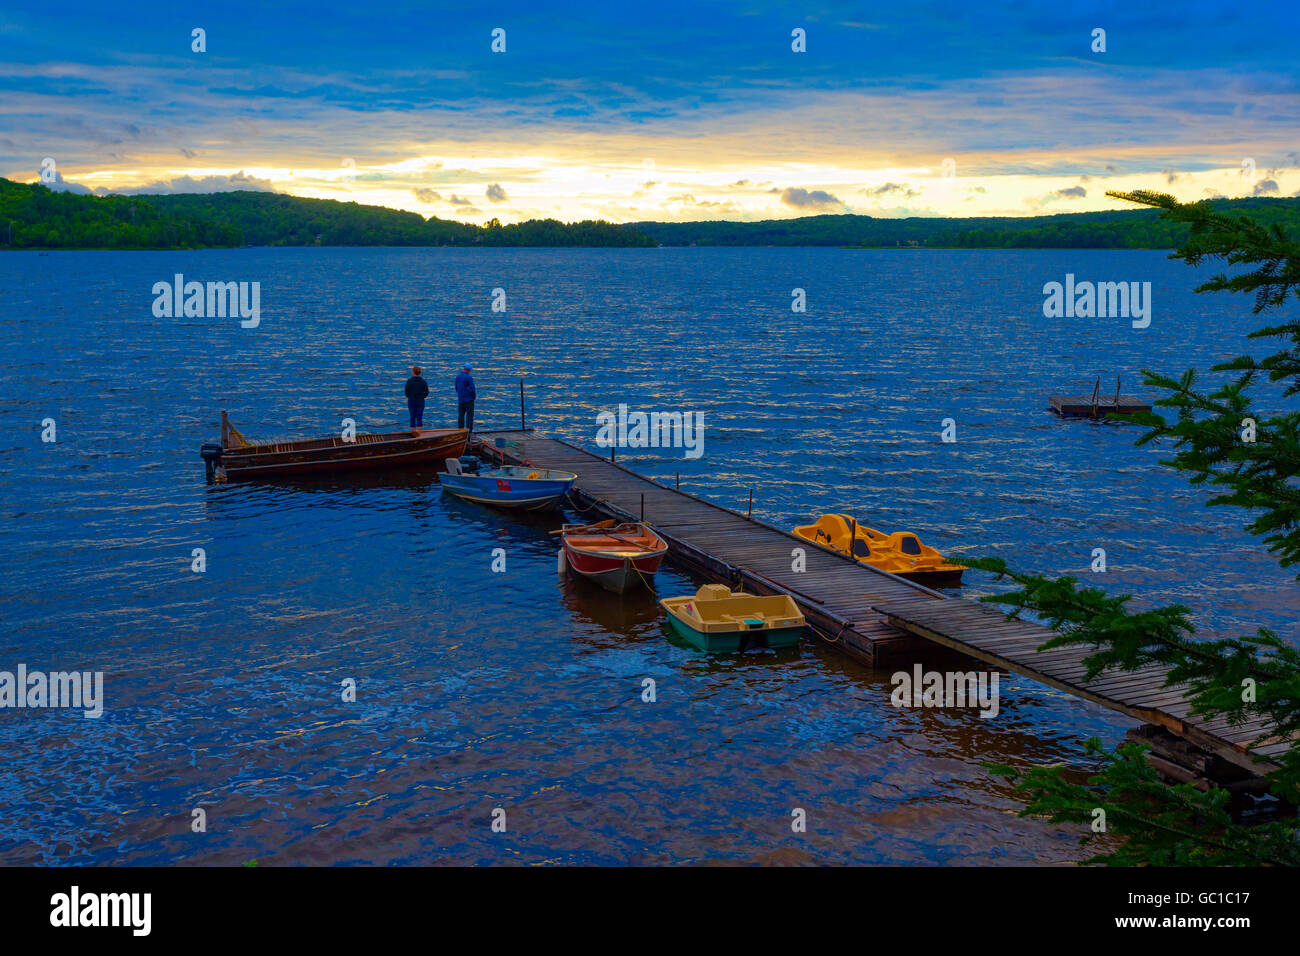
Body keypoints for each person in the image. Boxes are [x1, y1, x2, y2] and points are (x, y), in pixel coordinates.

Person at [455, 363, 476, 433]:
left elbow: (456, 388)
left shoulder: (458, 377)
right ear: (469, 370)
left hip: (461, 399)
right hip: (469, 400)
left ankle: (460, 431)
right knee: (469, 417)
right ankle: (469, 432)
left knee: (460, 416)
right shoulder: (469, 377)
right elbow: (472, 389)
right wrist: (474, 397)